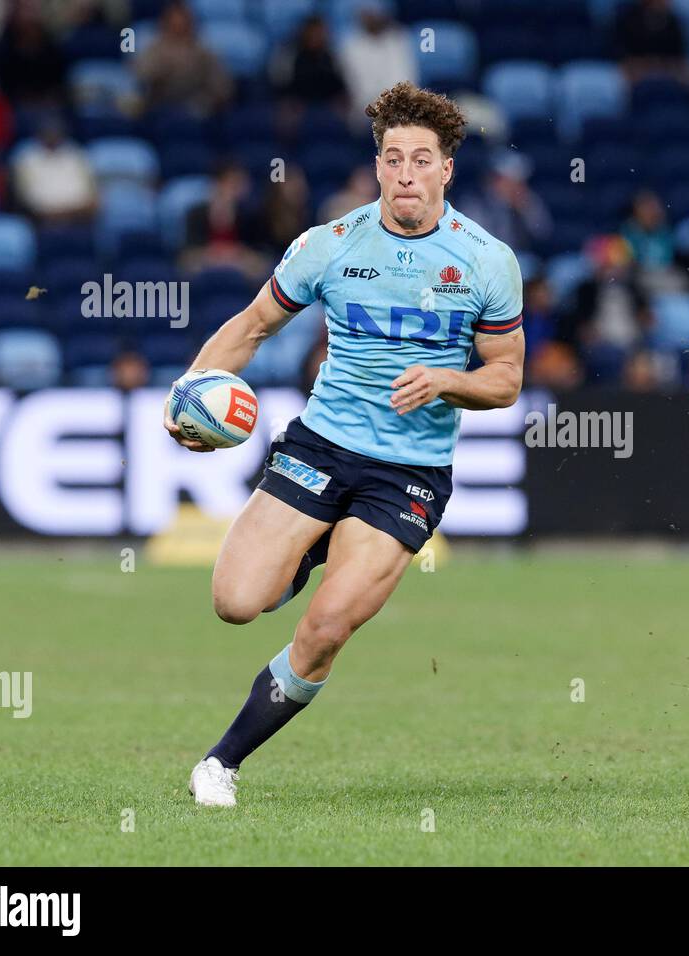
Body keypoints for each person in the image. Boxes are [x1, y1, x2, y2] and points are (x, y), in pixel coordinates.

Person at [165, 82, 524, 807]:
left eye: (421, 160)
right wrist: (189, 391)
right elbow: (252, 326)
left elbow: (508, 380)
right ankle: (313, 546)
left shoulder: (487, 261)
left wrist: (449, 382)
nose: (406, 175)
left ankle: (221, 763)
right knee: (236, 603)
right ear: (377, 164)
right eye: (393, 159)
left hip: (410, 474)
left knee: (327, 627)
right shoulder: (328, 244)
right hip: (321, 447)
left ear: (447, 169)